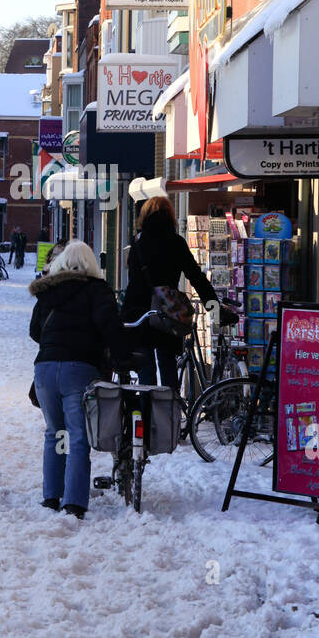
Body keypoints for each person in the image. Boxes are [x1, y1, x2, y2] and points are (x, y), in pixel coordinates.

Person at [29, 240, 129, 519]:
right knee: (77, 436)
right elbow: (110, 326)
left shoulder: (48, 292)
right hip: (79, 369)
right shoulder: (97, 290)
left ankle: (52, 496)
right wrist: (123, 357)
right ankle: (73, 503)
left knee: (56, 432)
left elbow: (35, 331)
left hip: (46, 370)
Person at [121, 195, 219, 389]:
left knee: (145, 369)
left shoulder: (138, 242)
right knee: (168, 368)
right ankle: (168, 412)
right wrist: (214, 307)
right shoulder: (176, 242)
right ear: (170, 215)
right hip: (167, 311)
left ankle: (146, 412)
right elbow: (196, 277)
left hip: (140, 312)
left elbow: (133, 277)